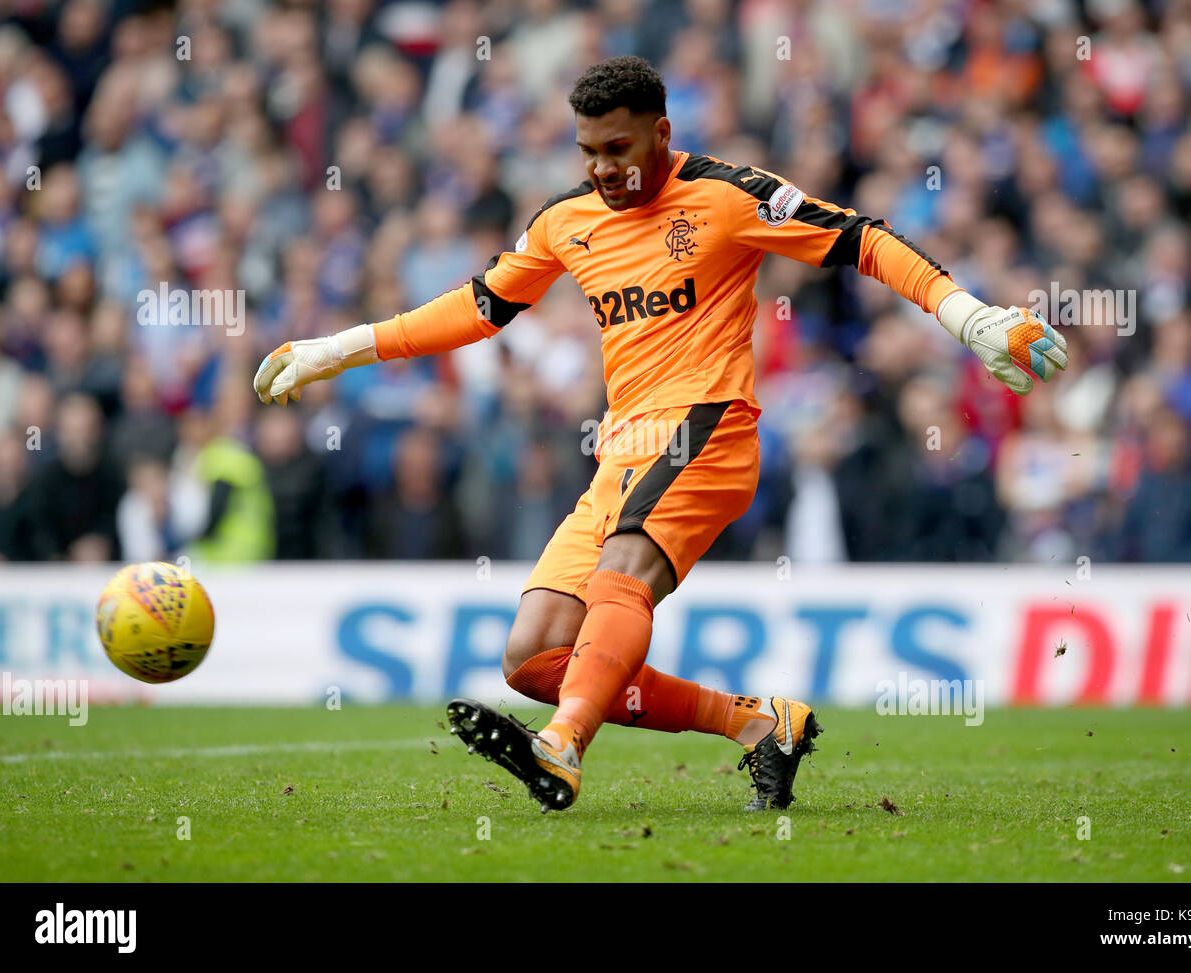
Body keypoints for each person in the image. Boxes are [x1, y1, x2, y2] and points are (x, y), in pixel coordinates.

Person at [253, 56, 1068, 812]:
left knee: (620, 581)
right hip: (621, 454)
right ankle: (761, 724)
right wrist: (339, 348)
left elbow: (860, 237)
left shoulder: (725, 194)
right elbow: (477, 307)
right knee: (536, 658)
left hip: (707, 429)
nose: (603, 167)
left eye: (618, 147)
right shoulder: (564, 221)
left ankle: (562, 748)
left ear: (661, 134)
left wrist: (971, 316)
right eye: (588, 151)